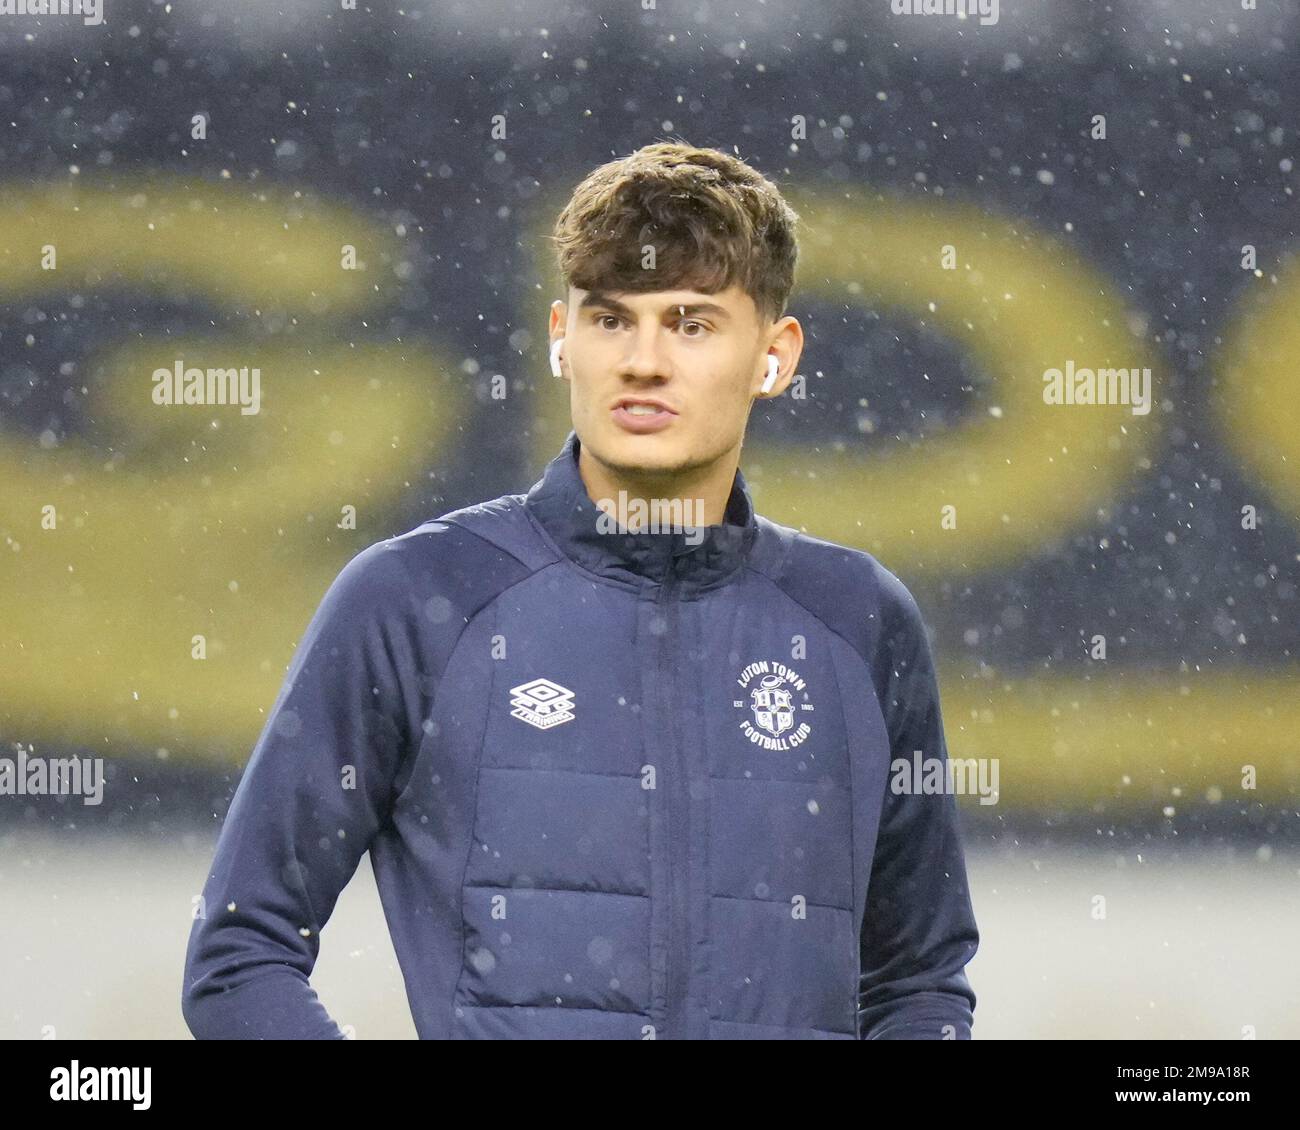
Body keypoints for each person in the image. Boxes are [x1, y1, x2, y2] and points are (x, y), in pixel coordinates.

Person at [181, 140, 979, 1040]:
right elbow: (240, 954)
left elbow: (920, 982)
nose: (643, 361)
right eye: (609, 319)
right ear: (562, 339)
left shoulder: (858, 619)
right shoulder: (416, 600)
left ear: (776, 355)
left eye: (691, 323)